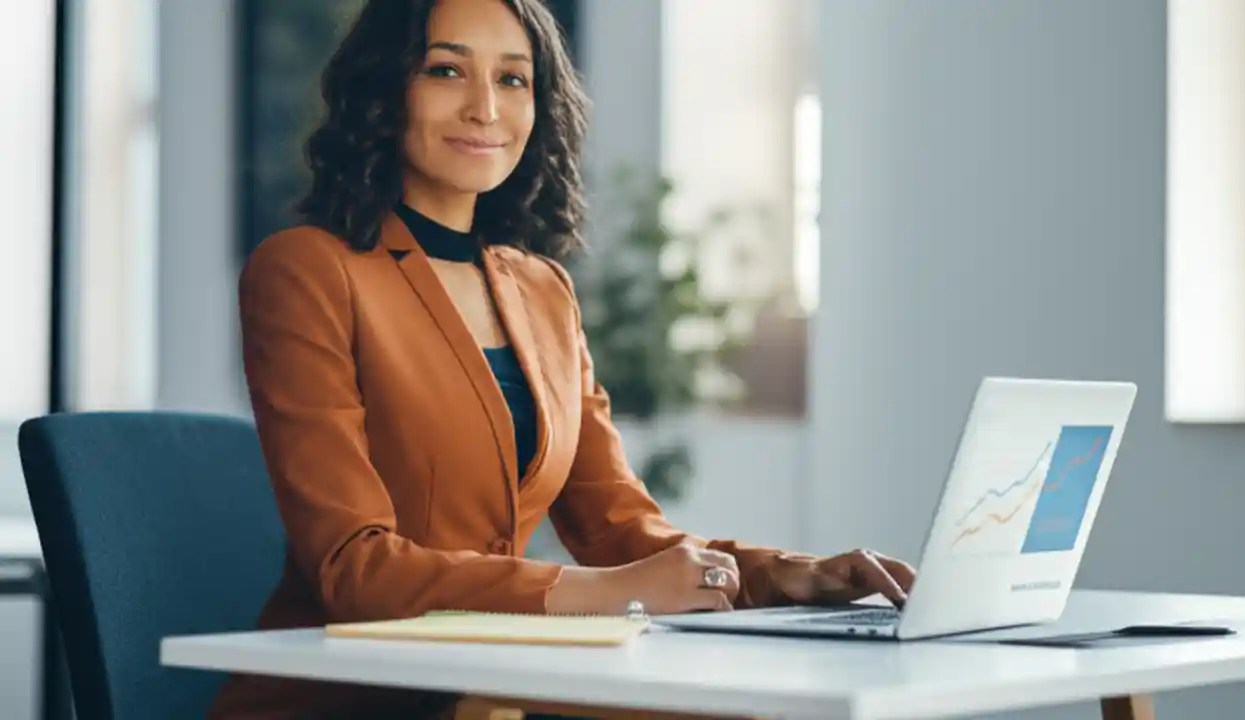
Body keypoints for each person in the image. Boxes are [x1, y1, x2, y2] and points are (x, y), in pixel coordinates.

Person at [210, 0, 917, 717]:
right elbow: (353, 569)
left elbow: (620, 528)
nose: (485, 107)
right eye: (446, 70)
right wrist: (604, 594)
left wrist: (789, 577)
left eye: (513, 80)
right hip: (350, 695)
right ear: (386, 89)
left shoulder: (543, 290)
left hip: (508, 679)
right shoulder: (307, 271)